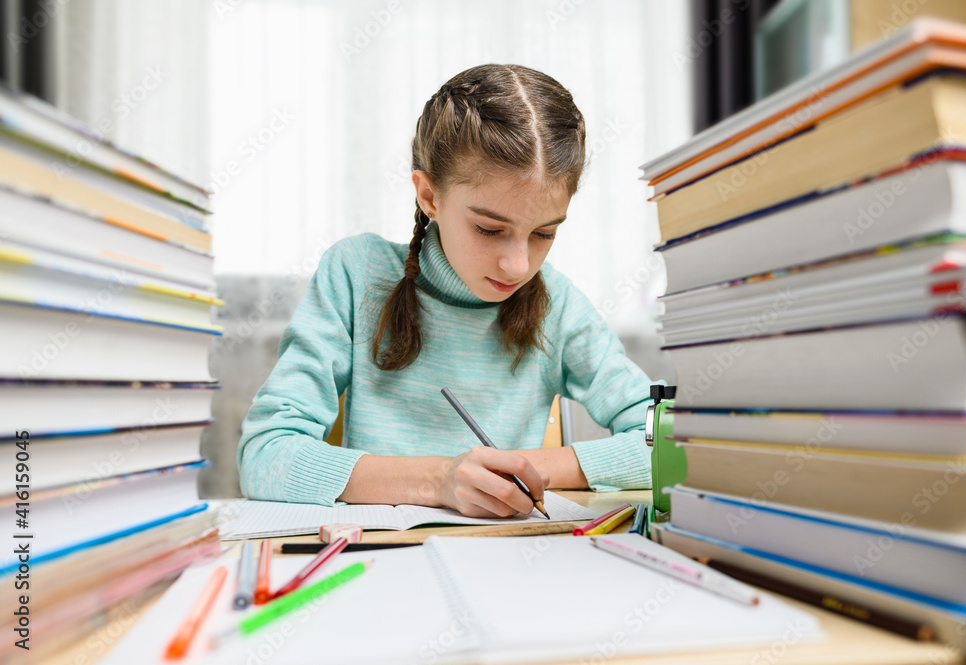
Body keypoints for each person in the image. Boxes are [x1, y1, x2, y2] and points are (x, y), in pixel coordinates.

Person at [238, 64, 654, 518]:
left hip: (507, 563)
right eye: (490, 229)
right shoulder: (356, 274)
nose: (519, 266)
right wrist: (441, 479)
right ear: (429, 196)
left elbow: (673, 443)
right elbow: (265, 454)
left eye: (544, 233)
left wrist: (522, 470)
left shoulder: (557, 303)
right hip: (382, 562)